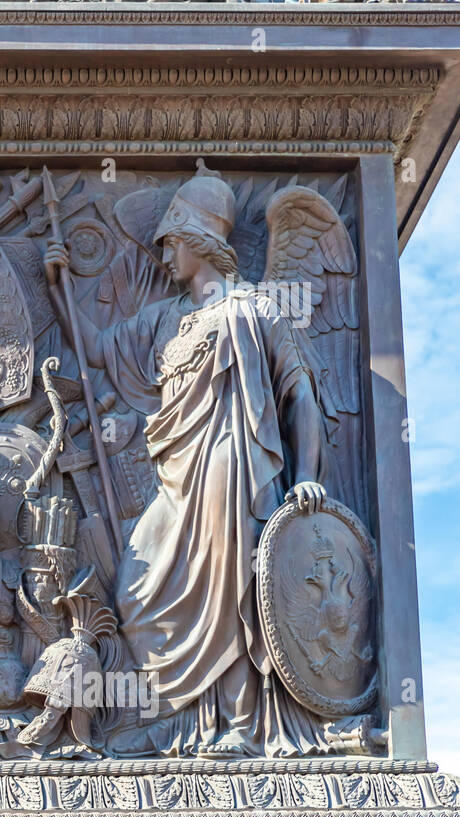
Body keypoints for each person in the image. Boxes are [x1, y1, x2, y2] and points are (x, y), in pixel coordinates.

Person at [47, 166, 376, 757]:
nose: (163, 253)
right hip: (176, 479)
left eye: (170, 242)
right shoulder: (166, 321)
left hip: (236, 469)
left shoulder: (254, 310)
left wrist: (305, 476)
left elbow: (300, 393)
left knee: (231, 590)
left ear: (200, 240)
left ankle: (239, 725)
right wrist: (58, 286)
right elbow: (97, 348)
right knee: (137, 585)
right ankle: (185, 719)